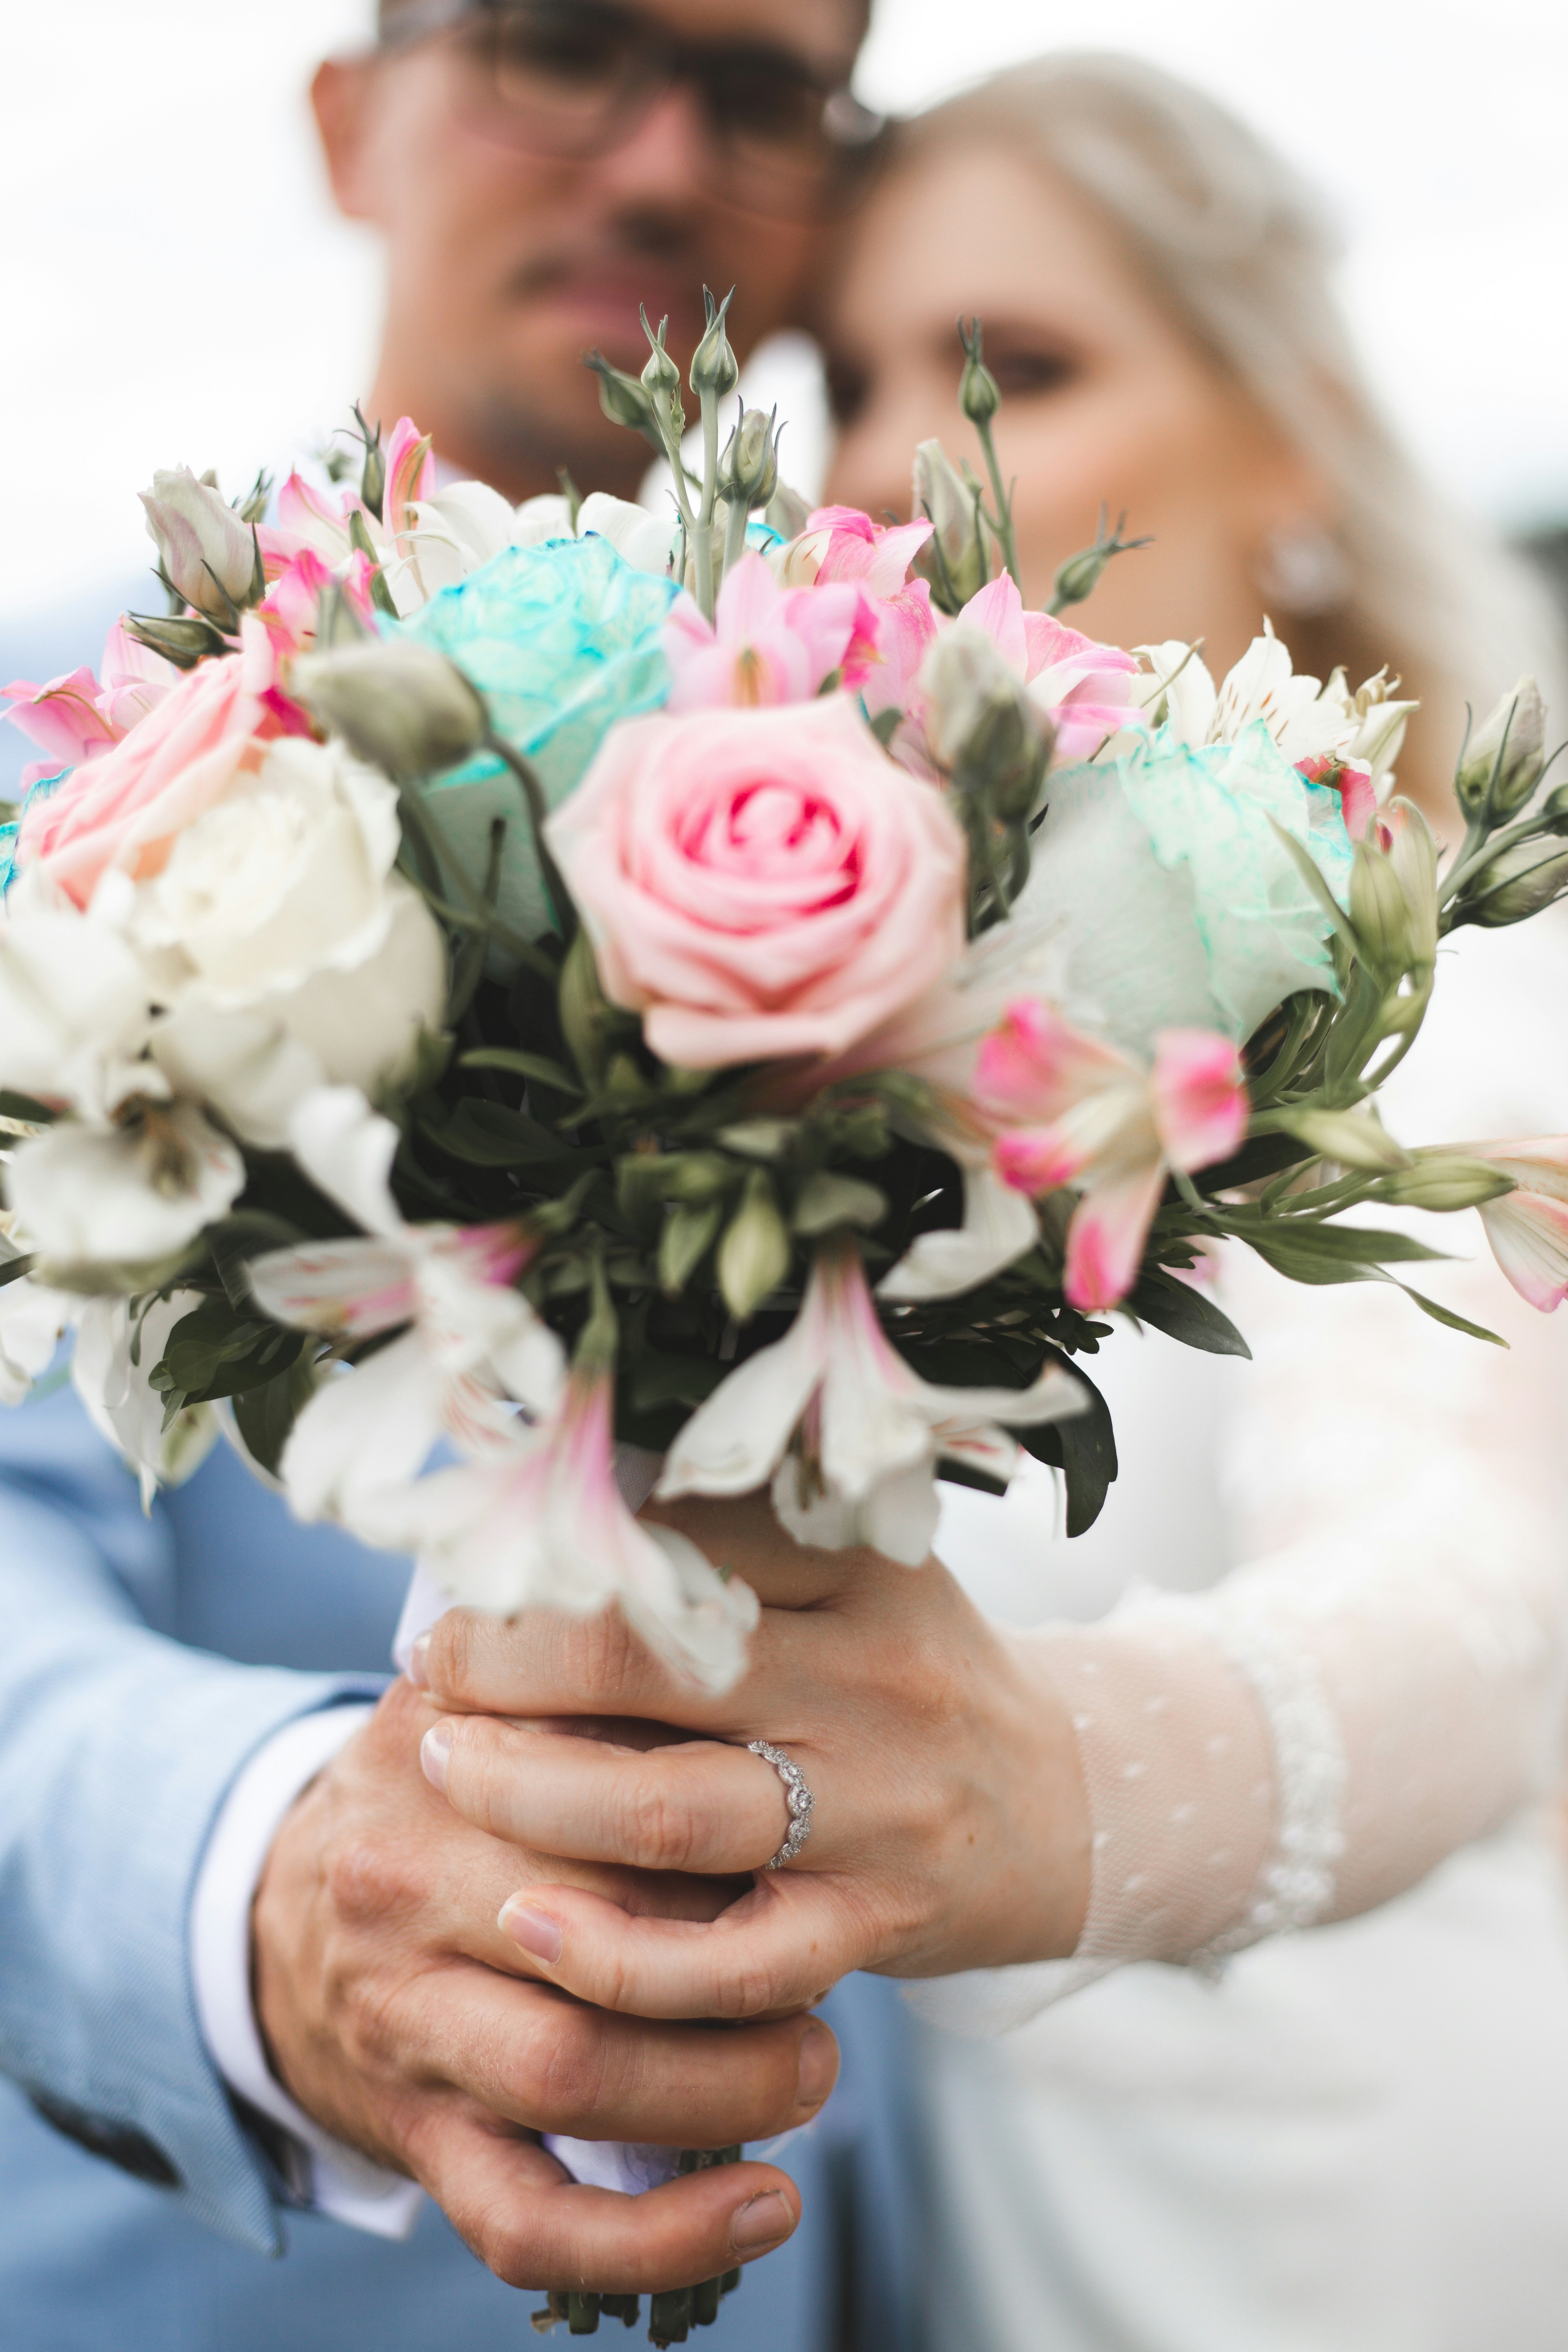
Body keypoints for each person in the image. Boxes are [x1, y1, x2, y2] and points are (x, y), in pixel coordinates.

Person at [407, 56, 1568, 2352]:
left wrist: (1055, 1786)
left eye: (1014, 372)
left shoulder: (1476, 999)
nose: (877, 472)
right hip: (983, 2248)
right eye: (845, 386)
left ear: (1292, 423)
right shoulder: (898, 1049)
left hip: (1360, 2226)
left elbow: (1479, 1575)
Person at [0, 5, 919, 2349]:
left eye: (757, 96)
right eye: (564, 42)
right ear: (344, 117)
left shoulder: (930, 803)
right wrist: (270, 1893)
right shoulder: (53, 760)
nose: (651, 164)